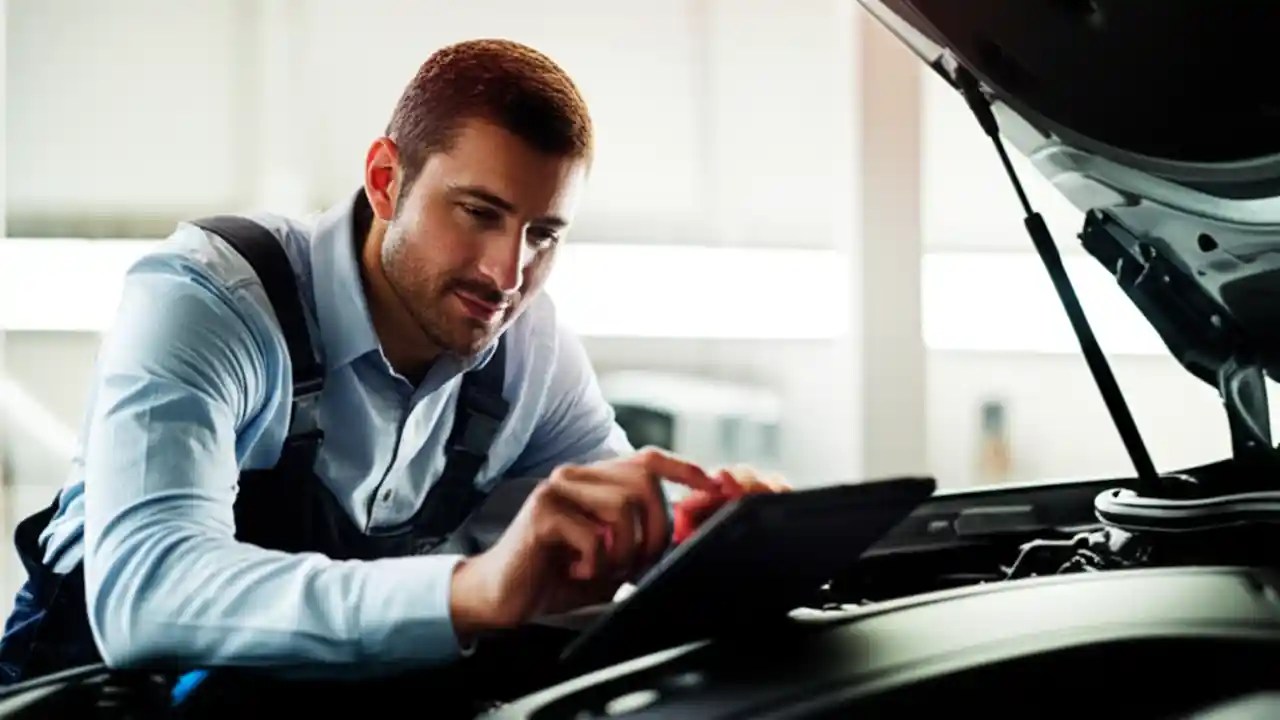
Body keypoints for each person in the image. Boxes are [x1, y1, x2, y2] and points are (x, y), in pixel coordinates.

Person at [0, 38, 787, 687]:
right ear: (386, 180)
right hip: (82, 697)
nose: (507, 274)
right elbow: (147, 593)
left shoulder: (531, 351)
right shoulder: (211, 300)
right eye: (480, 213)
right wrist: (469, 590)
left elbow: (616, 532)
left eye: (544, 233)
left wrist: (710, 536)